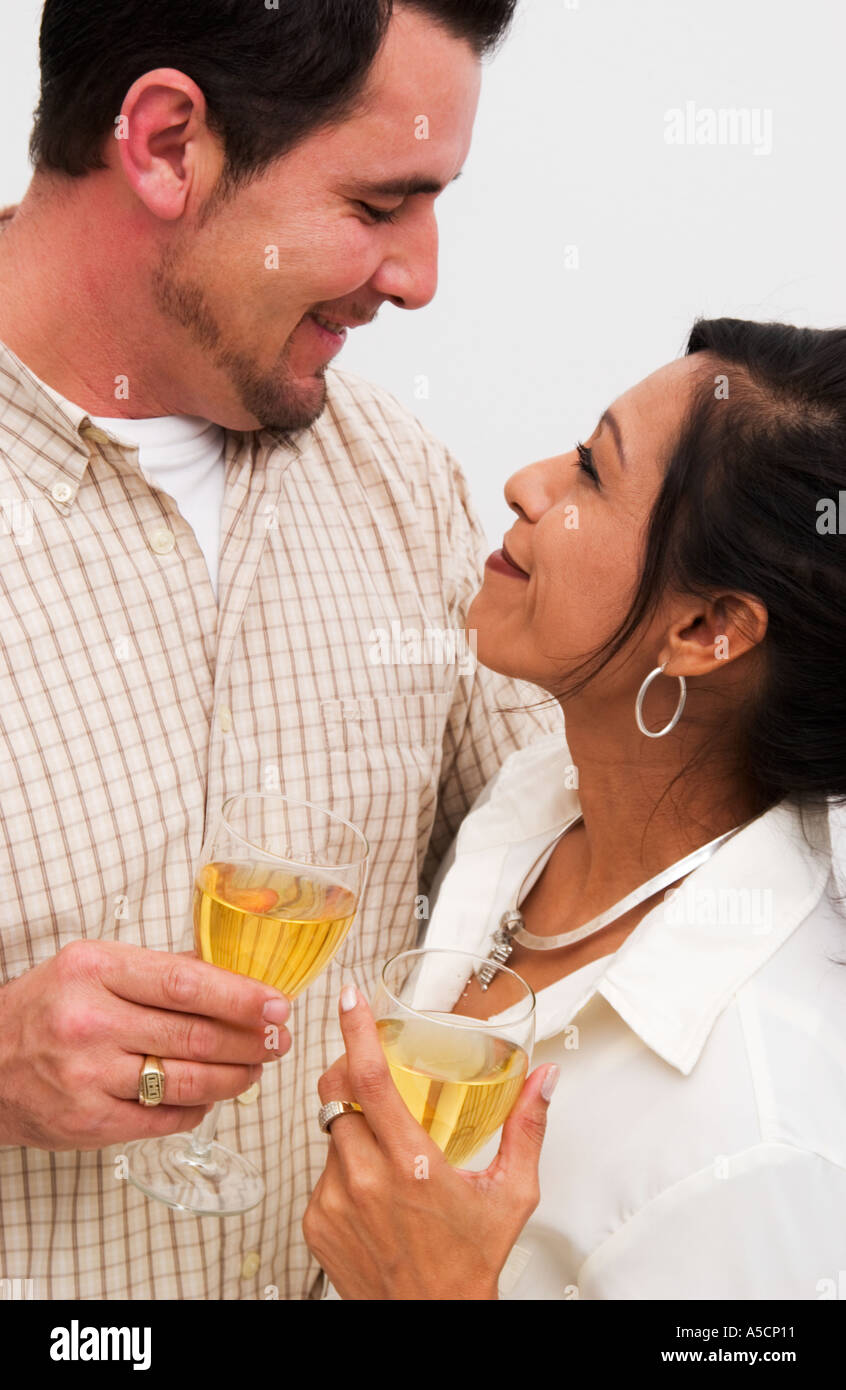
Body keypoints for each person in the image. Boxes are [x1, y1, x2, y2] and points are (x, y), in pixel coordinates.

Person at [0, 1, 563, 1301]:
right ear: (164, 143)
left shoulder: (402, 482)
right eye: (379, 205)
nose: (420, 275)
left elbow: (574, 847)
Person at [305, 316, 846, 1300]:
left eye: (593, 471)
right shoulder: (538, 796)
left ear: (705, 629)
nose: (527, 480)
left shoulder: (760, 1142)